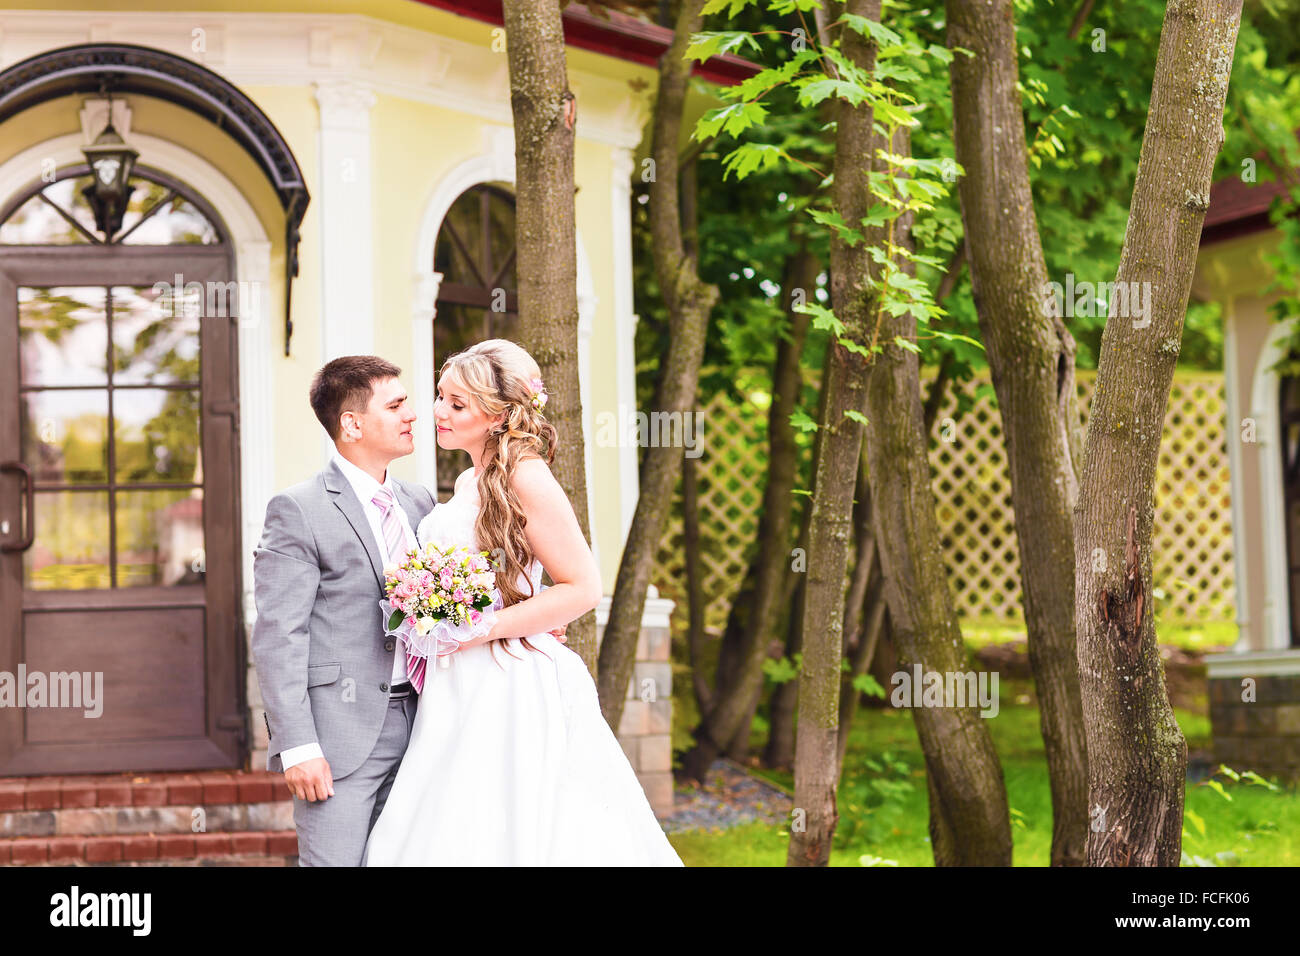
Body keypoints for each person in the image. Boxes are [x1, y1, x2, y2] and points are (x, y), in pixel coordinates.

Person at [362, 339, 683, 866]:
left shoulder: (526, 476)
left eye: (457, 404)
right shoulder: (470, 480)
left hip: (506, 681)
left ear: (499, 416)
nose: (437, 411)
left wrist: (475, 628)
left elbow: (581, 586)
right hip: (454, 681)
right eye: (440, 396)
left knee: (507, 824)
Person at [250, 354, 567, 866]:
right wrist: (298, 745)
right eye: (396, 405)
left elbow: (470, 587)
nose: (415, 413)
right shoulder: (298, 509)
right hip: (342, 737)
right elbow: (278, 637)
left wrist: (531, 618)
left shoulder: (420, 502)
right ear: (352, 423)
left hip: (434, 720)